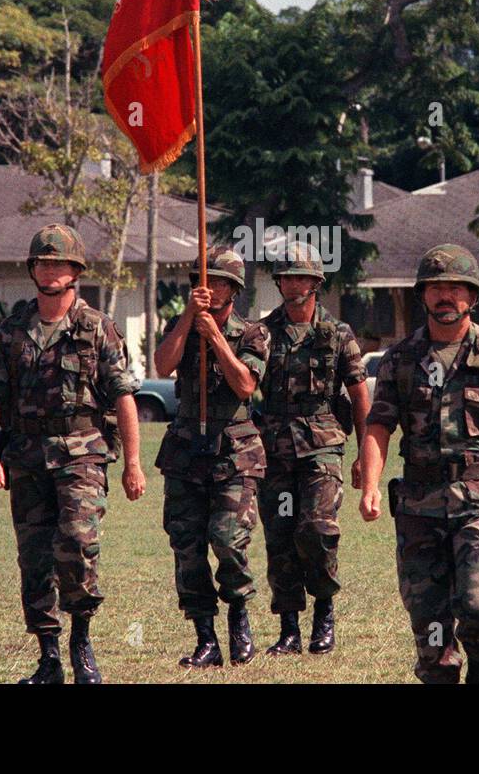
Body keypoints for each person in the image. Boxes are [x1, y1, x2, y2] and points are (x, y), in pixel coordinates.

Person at [361, 244, 479, 684]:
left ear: (473, 297)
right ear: (423, 295)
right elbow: (378, 427)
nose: (445, 296)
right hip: (419, 504)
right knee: (430, 626)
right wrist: (370, 485)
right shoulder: (399, 360)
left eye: (455, 289)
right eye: (436, 288)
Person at [0, 224, 144, 685]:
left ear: (75, 271)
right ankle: (48, 655)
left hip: (82, 454)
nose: (50, 271)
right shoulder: (12, 331)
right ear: (33, 269)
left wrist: (133, 463)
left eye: (59, 264)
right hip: (27, 457)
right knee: (33, 557)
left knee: (76, 543)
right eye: (43, 263)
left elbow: (125, 397)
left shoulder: (97, 328)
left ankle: (81, 641)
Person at [154, 246, 268, 669]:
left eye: (219, 281)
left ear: (234, 289)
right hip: (185, 451)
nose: (210, 287)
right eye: (204, 281)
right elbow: (163, 365)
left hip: (234, 453)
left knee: (228, 538)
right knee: (186, 545)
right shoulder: (180, 324)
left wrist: (216, 336)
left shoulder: (254, 333)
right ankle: (205, 637)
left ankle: (239, 617)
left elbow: (244, 385)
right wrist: (188, 319)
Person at [257, 242, 369, 656]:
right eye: (286, 277)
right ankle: (289, 628)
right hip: (274, 449)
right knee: (280, 537)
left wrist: (362, 455)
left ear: (316, 283)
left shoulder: (338, 334)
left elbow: (359, 396)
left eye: (300, 277)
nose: (292, 285)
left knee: (317, 530)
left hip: (323, 446)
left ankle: (324, 614)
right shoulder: (263, 333)